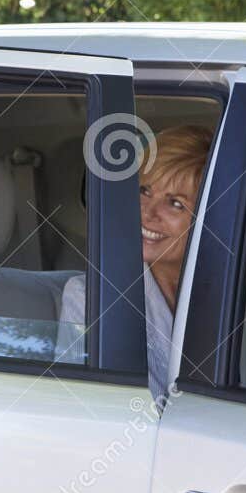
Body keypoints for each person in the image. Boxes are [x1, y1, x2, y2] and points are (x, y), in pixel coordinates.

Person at [60, 124, 213, 405]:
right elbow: (101, 411)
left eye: (176, 204)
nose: (147, 212)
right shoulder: (92, 297)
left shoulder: (234, 296)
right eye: (144, 191)